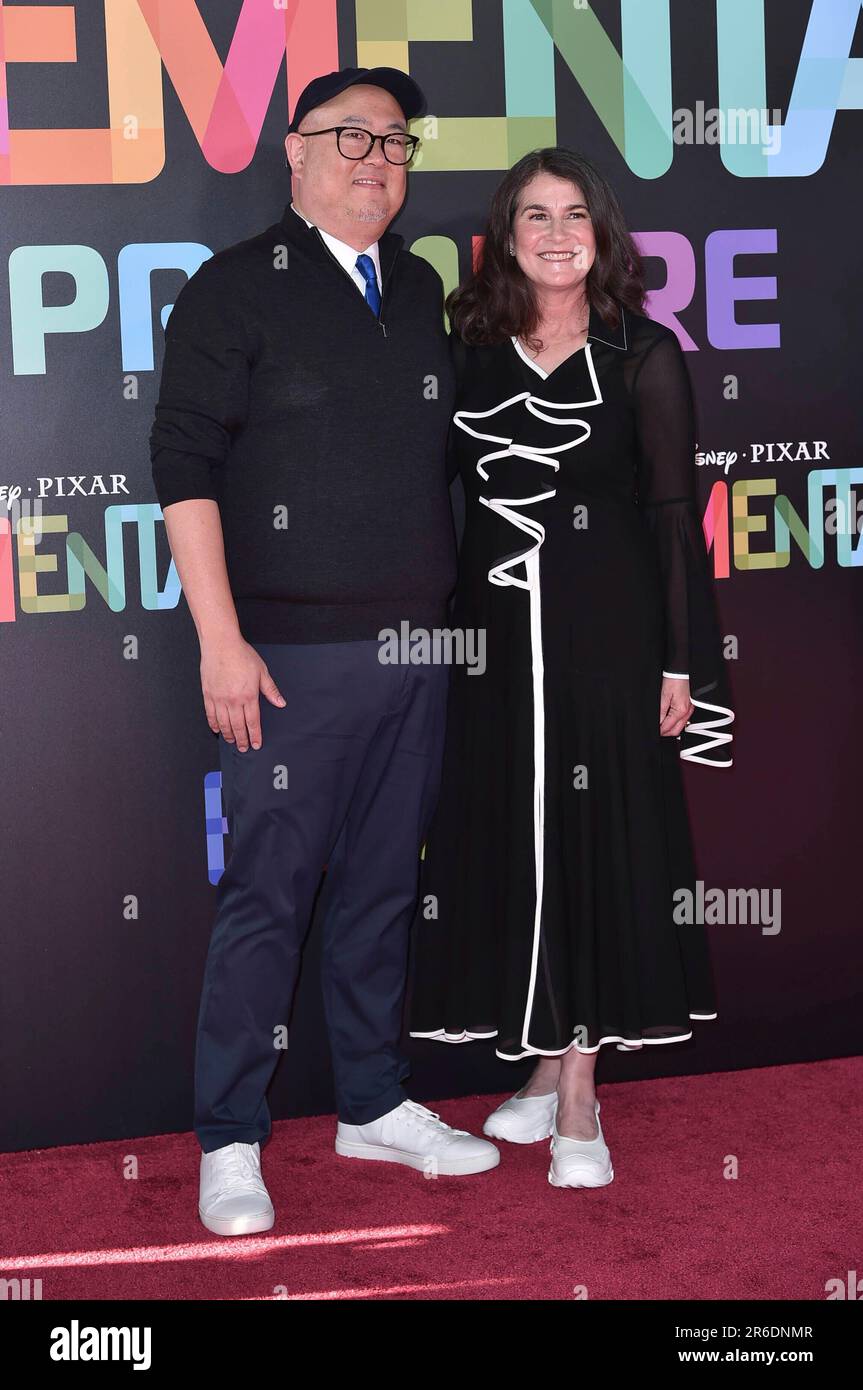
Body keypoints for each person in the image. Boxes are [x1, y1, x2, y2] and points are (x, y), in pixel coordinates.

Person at [149, 66, 499, 1238]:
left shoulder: (418, 290)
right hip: (286, 660)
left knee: (385, 890)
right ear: (292, 153)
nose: (373, 158)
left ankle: (371, 1101)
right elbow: (183, 470)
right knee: (268, 896)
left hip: (416, 651)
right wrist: (220, 642)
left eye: (395, 142)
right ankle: (229, 1137)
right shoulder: (233, 289)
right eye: (347, 136)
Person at [408, 147, 734, 1189]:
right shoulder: (469, 350)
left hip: (607, 648)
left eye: (574, 215)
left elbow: (671, 518)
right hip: (499, 656)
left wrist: (681, 660)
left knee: (595, 848)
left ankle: (581, 1097)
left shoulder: (644, 354)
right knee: (527, 844)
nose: (555, 234)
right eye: (534, 216)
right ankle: (546, 1061)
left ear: (602, 234)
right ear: (505, 237)